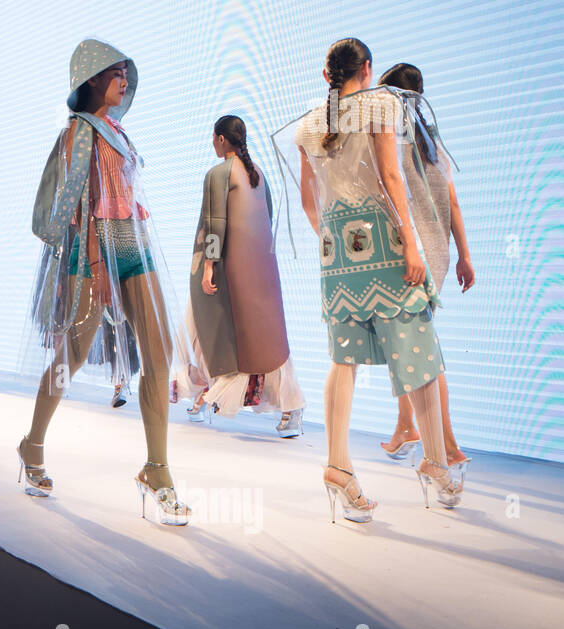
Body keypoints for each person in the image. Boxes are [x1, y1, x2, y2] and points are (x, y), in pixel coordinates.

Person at [286, 37, 460, 522]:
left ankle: (338, 467)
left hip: (336, 255)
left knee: (344, 361)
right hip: (382, 242)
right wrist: (409, 239)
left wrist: (335, 238)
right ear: (367, 68)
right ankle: (435, 463)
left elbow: (307, 201)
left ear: (329, 76)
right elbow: (390, 174)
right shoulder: (381, 103)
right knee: (419, 350)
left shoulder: (308, 124)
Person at [22, 39, 189, 524]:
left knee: (159, 355)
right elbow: (66, 207)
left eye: (125, 72)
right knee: (71, 355)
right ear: (92, 77)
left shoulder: (118, 131)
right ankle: (32, 444)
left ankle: (156, 468)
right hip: (96, 246)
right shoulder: (78, 131)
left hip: (132, 241)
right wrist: (85, 260)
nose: (124, 79)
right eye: (115, 72)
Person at [177, 115, 305, 436]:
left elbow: (214, 223)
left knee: (201, 327)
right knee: (265, 342)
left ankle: (205, 395)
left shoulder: (218, 174)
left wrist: (208, 266)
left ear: (221, 139)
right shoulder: (258, 174)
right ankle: (288, 407)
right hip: (261, 270)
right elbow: (269, 218)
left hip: (227, 270)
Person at [376, 63, 474, 470]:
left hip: (409, 253)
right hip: (436, 250)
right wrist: (465, 255)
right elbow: (451, 201)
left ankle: (448, 446)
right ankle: (405, 429)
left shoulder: (393, 139)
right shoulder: (431, 139)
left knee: (421, 350)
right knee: (407, 344)